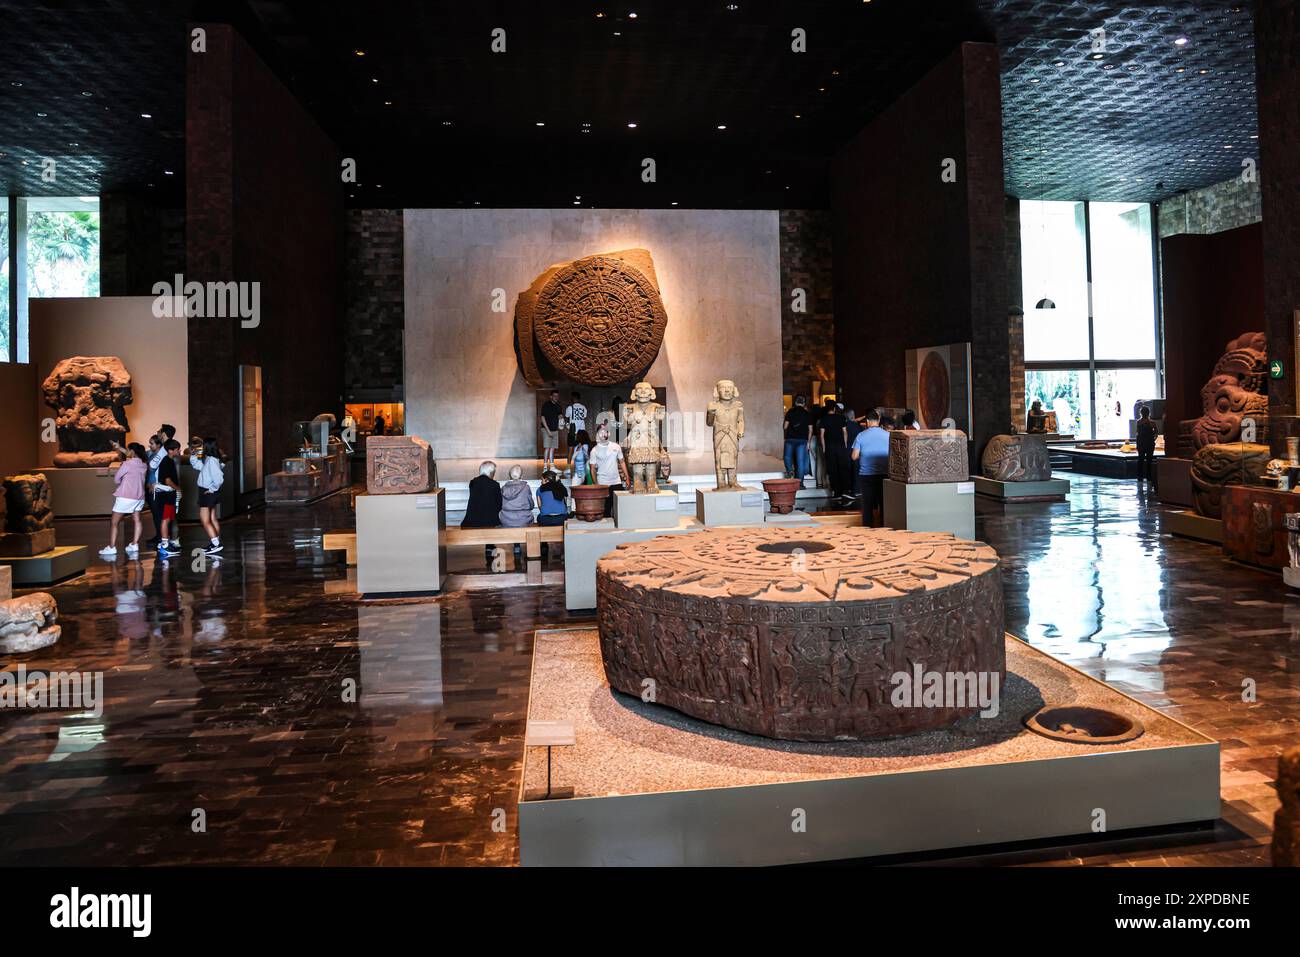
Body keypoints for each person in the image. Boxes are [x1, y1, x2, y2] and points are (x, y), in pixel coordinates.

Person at [99, 442, 149, 559]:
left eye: (128, 450)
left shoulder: (127, 464)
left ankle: (111, 547)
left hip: (126, 496)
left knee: (114, 522)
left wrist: (124, 479)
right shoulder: (144, 464)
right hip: (140, 497)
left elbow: (116, 479)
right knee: (137, 520)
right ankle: (134, 545)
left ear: (132, 451)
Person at [851, 410, 890, 528]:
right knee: (883, 504)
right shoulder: (888, 435)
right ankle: (884, 528)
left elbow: (854, 456)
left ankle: (868, 530)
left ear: (867, 421)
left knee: (867, 505)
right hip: (884, 474)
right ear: (878, 421)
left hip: (866, 475)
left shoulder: (861, 435)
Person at [462, 461, 503, 564]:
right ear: (491, 472)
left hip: (472, 519)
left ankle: (489, 546)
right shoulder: (495, 485)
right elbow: (499, 504)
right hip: (490, 520)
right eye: (494, 472)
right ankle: (489, 546)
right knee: (492, 517)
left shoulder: (473, 483)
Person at [189, 437, 225, 556]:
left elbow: (219, 479)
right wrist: (193, 455)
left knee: (204, 520)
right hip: (209, 491)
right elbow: (199, 467)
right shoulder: (211, 459)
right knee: (212, 518)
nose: (201, 447)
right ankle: (215, 542)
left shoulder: (211, 460)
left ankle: (215, 544)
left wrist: (212, 489)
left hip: (207, 492)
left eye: (203, 445)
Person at [589, 426, 630, 516]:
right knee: (606, 510)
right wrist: (596, 484)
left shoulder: (616, 446)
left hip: (616, 481)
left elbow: (622, 462)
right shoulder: (594, 450)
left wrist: (627, 477)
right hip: (603, 483)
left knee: (620, 509)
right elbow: (592, 469)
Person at [499, 464, 535, 564]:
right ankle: (528, 545)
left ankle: (516, 545)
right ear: (521, 475)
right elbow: (530, 503)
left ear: (510, 476)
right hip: (523, 518)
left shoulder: (504, 488)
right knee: (528, 518)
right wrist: (530, 507)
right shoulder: (526, 487)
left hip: (506, 518)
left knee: (513, 519)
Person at [155, 440, 183, 558]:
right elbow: (167, 480)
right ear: (171, 450)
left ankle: (166, 543)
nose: (179, 451)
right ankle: (165, 545)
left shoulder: (170, 461)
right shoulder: (167, 462)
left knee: (168, 518)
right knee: (166, 519)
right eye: (177, 449)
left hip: (169, 496)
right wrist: (178, 489)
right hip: (166, 496)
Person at [819, 401, 852, 503]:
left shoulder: (823, 419)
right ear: (834, 408)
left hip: (829, 447)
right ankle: (845, 491)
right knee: (843, 467)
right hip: (841, 447)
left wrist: (824, 447)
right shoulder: (841, 418)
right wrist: (845, 445)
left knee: (832, 469)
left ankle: (836, 492)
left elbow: (821, 435)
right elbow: (845, 432)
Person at [783, 395, 813, 483]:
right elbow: (810, 429)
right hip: (802, 440)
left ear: (795, 402)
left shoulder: (790, 412)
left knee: (787, 457)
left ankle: (790, 471)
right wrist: (808, 441)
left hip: (790, 439)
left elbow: (785, 427)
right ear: (804, 403)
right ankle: (800, 483)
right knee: (800, 461)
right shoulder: (807, 414)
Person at [144, 434, 167, 545]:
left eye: (152, 443)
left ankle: (161, 537)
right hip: (150, 488)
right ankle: (159, 535)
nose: (150, 445)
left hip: (156, 489)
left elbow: (152, 468)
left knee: (158, 514)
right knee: (155, 514)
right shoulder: (151, 453)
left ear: (158, 445)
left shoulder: (161, 455)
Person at [1136, 405, 1159, 487]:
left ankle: (1140, 477)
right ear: (1149, 413)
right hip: (1149, 443)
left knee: (1141, 460)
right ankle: (1149, 477)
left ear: (1141, 413)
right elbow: (1156, 433)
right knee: (1149, 460)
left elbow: (1138, 434)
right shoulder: (1152, 423)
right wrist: (1153, 439)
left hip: (1142, 443)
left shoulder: (1139, 422)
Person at [563, 391, 587, 469]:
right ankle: (580, 467)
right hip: (582, 432)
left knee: (570, 449)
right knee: (580, 449)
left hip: (573, 431)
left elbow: (566, 417)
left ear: (572, 398)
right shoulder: (583, 407)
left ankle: (568, 468)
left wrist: (567, 425)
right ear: (579, 399)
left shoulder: (570, 408)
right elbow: (584, 417)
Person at [539, 389, 562, 471]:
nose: (556, 397)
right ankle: (545, 467)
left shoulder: (558, 406)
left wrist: (561, 419)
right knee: (547, 448)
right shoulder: (546, 405)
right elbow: (542, 418)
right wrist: (548, 430)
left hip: (555, 429)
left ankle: (552, 467)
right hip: (546, 429)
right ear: (551, 397)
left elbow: (560, 417)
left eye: (557, 396)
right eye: (554, 396)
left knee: (553, 448)